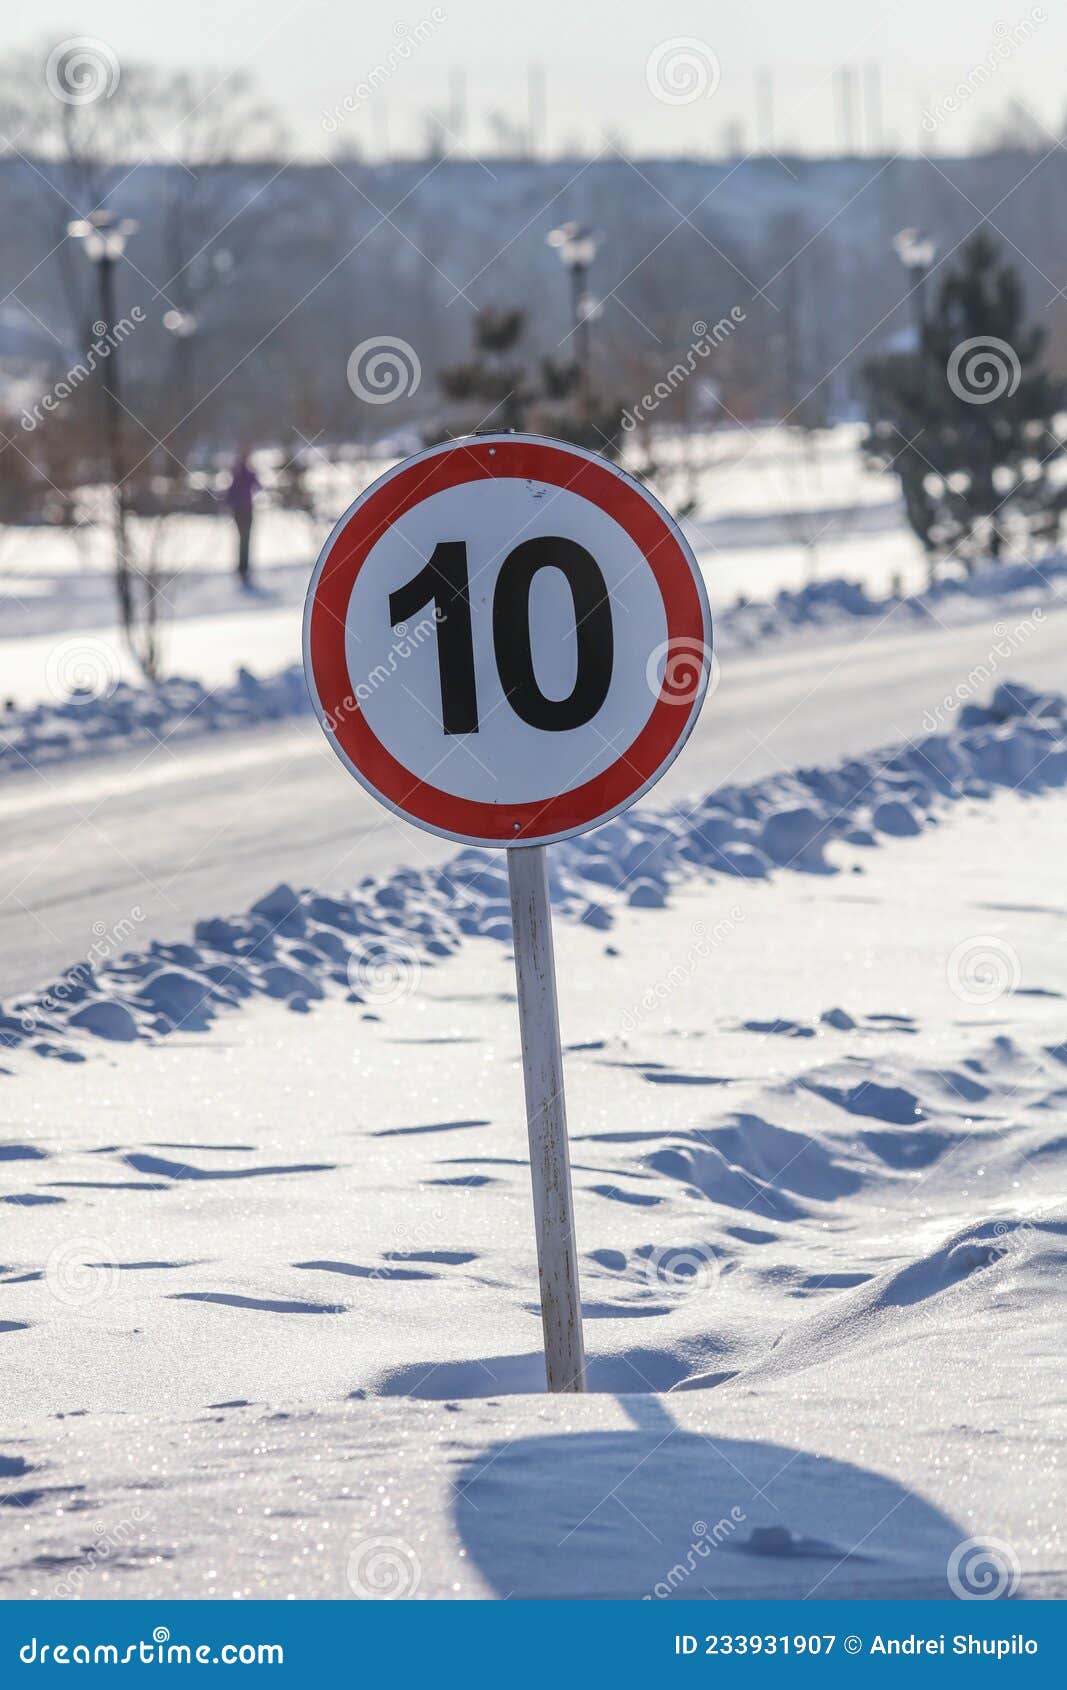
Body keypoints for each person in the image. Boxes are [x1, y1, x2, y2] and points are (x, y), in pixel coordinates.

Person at [224, 451, 261, 587]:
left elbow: (230, 495)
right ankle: (243, 568)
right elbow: (257, 485)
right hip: (243, 511)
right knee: (244, 539)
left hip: (242, 511)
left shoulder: (238, 474)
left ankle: (243, 567)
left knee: (243, 539)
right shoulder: (243, 474)